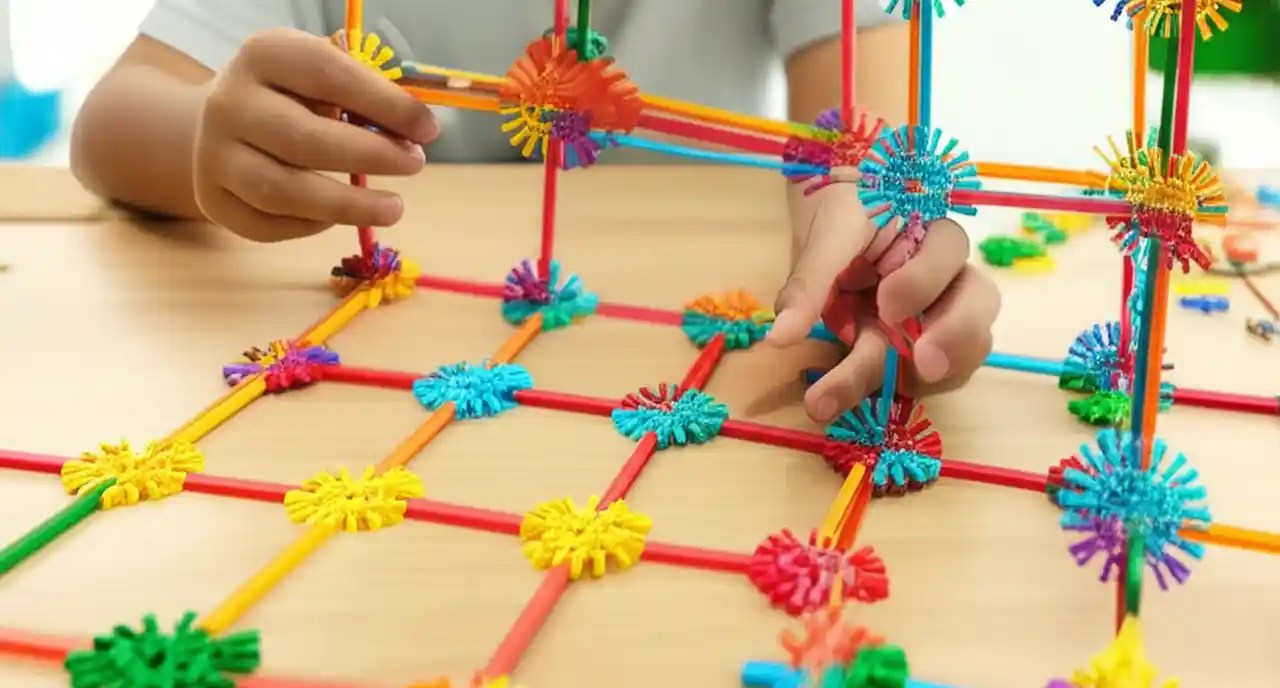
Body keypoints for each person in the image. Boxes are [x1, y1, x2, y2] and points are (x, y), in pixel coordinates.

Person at [70, 0, 999, 423]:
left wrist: (878, 237)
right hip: (388, 355)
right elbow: (113, 119)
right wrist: (212, 146)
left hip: (666, 348)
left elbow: (861, 148)